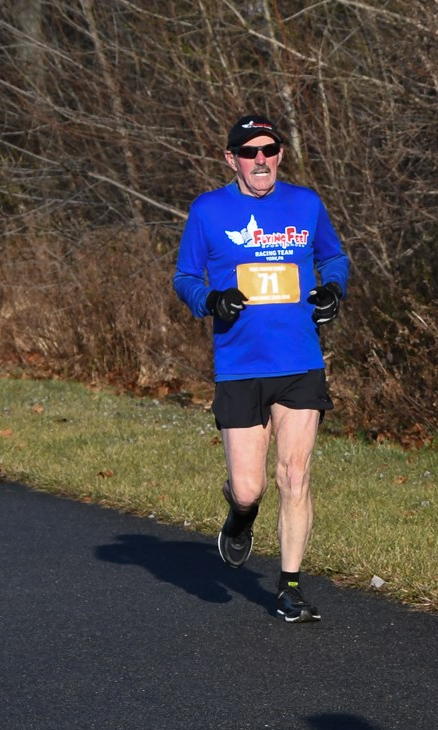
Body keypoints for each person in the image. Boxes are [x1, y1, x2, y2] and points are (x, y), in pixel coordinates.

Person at [173, 115, 350, 623]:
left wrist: (334, 289)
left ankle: (290, 586)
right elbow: (184, 276)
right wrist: (210, 299)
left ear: (279, 155)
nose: (260, 160)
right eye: (249, 152)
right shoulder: (208, 210)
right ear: (231, 158)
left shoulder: (305, 203)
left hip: (298, 360)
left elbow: (334, 257)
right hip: (239, 363)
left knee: (295, 476)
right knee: (250, 487)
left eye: (269, 150)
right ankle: (240, 516)